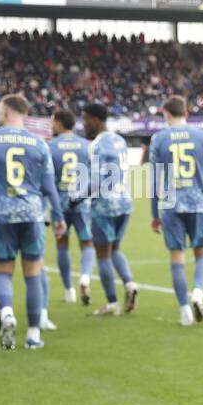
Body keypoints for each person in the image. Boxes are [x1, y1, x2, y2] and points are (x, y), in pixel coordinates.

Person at [0, 94, 66, 350]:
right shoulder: (39, 143)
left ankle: (7, 312)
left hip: (2, 215)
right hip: (32, 214)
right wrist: (58, 216)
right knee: (33, 275)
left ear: (7, 111)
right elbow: (48, 187)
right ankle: (33, 334)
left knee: (2, 273)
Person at [148, 96, 203, 326]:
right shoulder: (202, 136)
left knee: (177, 259)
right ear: (186, 113)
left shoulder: (158, 139)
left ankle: (184, 311)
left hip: (171, 205)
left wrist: (154, 213)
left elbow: (153, 180)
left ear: (166, 114)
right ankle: (198, 293)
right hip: (198, 203)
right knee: (202, 255)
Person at [83, 102, 138, 316]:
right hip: (124, 202)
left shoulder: (96, 144)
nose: (84, 124)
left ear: (96, 120)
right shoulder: (120, 140)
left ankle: (112, 303)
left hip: (104, 205)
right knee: (115, 249)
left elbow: (96, 181)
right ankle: (130, 284)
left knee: (103, 255)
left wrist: (78, 196)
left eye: (86, 119)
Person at [49, 109, 96, 306]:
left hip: (59, 203)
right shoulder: (87, 146)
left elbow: (47, 179)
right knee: (87, 243)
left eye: (53, 122)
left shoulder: (50, 146)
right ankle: (85, 277)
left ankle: (69, 291)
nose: (52, 126)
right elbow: (95, 177)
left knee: (62, 245)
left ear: (60, 123)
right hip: (82, 202)